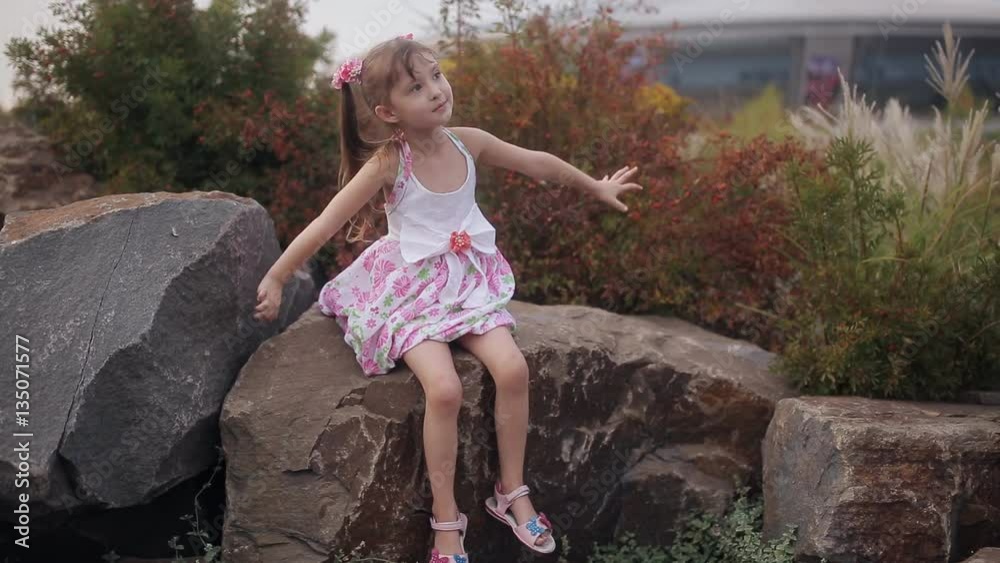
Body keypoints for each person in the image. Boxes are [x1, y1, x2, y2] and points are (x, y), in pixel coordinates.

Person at [253, 33, 642, 563]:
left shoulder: (468, 141)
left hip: (465, 282)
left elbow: (537, 162)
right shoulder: (390, 164)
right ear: (389, 111)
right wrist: (278, 276)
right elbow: (327, 222)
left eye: (436, 75)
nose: (437, 90)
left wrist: (594, 186)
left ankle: (512, 490)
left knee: (512, 370)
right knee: (444, 390)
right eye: (418, 87)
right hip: (411, 289)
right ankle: (445, 518)